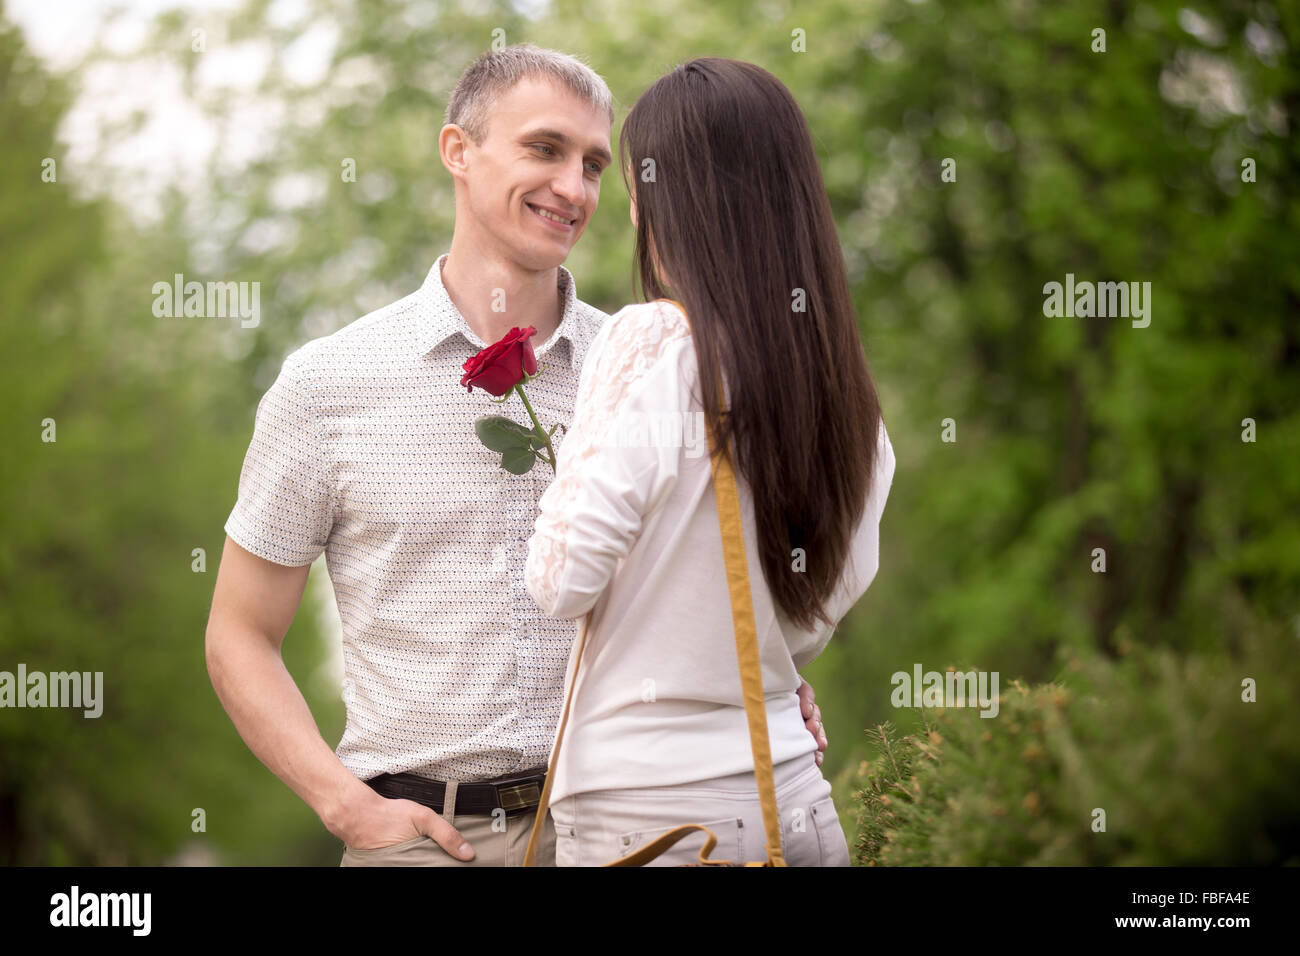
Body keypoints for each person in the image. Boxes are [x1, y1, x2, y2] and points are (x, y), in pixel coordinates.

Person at [204, 43, 828, 867]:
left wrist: (766, 678)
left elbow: (712, 579)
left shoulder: (658, 362)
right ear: (457, 151)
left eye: (596, 165)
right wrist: (347, 807)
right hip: (425, 839)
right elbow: (239, 634)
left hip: (629, 831)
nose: (575, 189)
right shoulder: (327, 385)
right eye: (545, 149)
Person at [524, 56, 895, 866]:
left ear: (675, 199)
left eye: (632, 185)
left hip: (654, 818)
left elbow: (559, 582)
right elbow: (811, 618)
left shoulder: (652, 341)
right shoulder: (849, 400)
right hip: (793, 797)